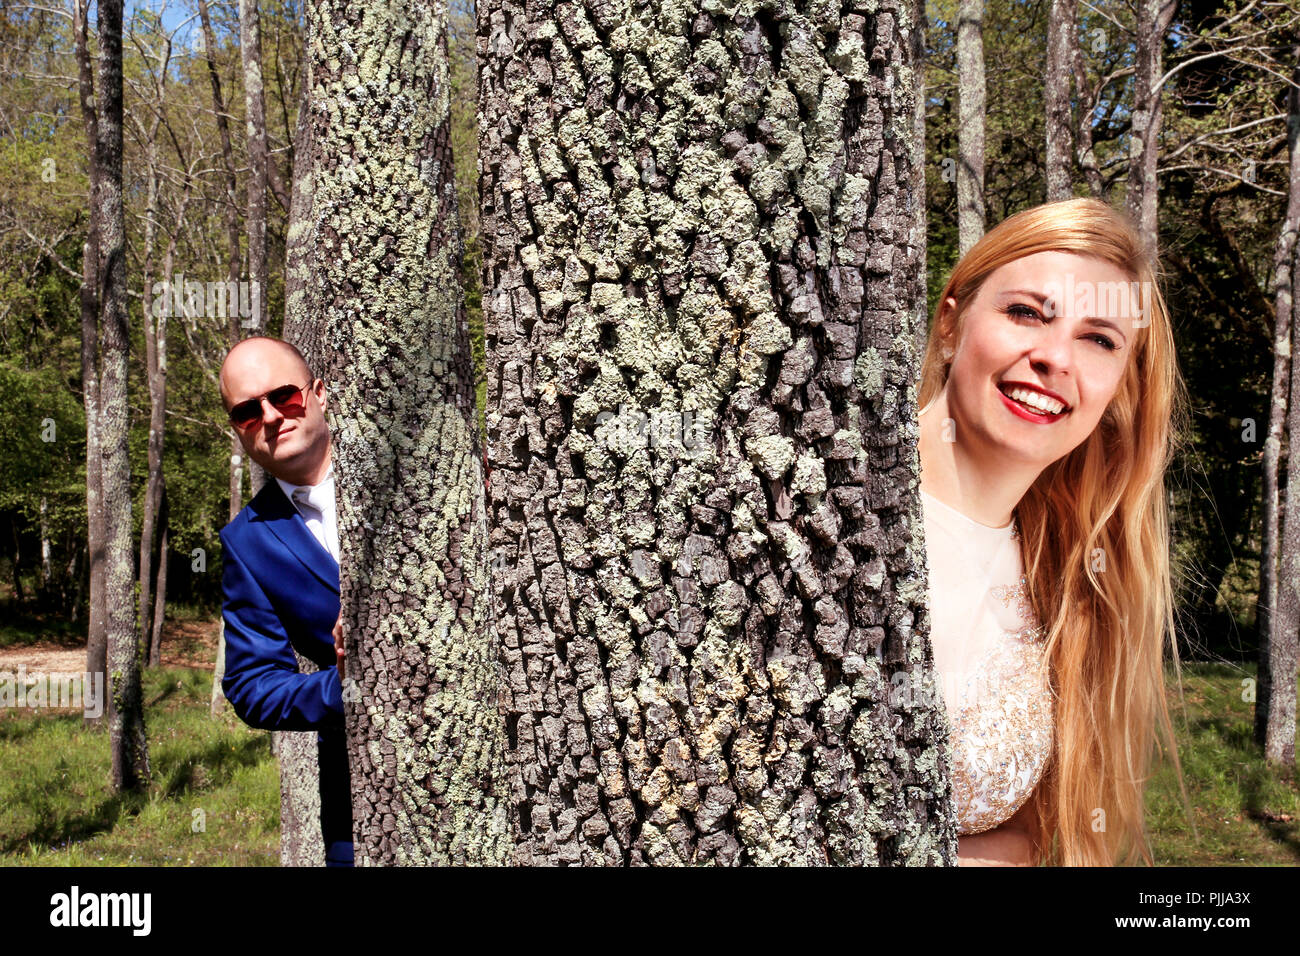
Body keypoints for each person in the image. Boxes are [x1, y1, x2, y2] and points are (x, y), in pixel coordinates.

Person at [915, 197, 1189, 866]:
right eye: (1027, 313)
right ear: (950, 323)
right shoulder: (817, 506)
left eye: (1098, 340)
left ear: (1119, 387)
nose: (1054, 358)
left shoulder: (1069, 582)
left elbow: (1016, 832)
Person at [218, 336, 353, 867]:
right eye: (249, 411)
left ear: (318, 394)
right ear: (238, 430)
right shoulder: (246, 542)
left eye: (286, 397)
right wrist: (342, 686)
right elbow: (252, 686)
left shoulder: (427, 468)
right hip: (362, 781)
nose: (271, 417)